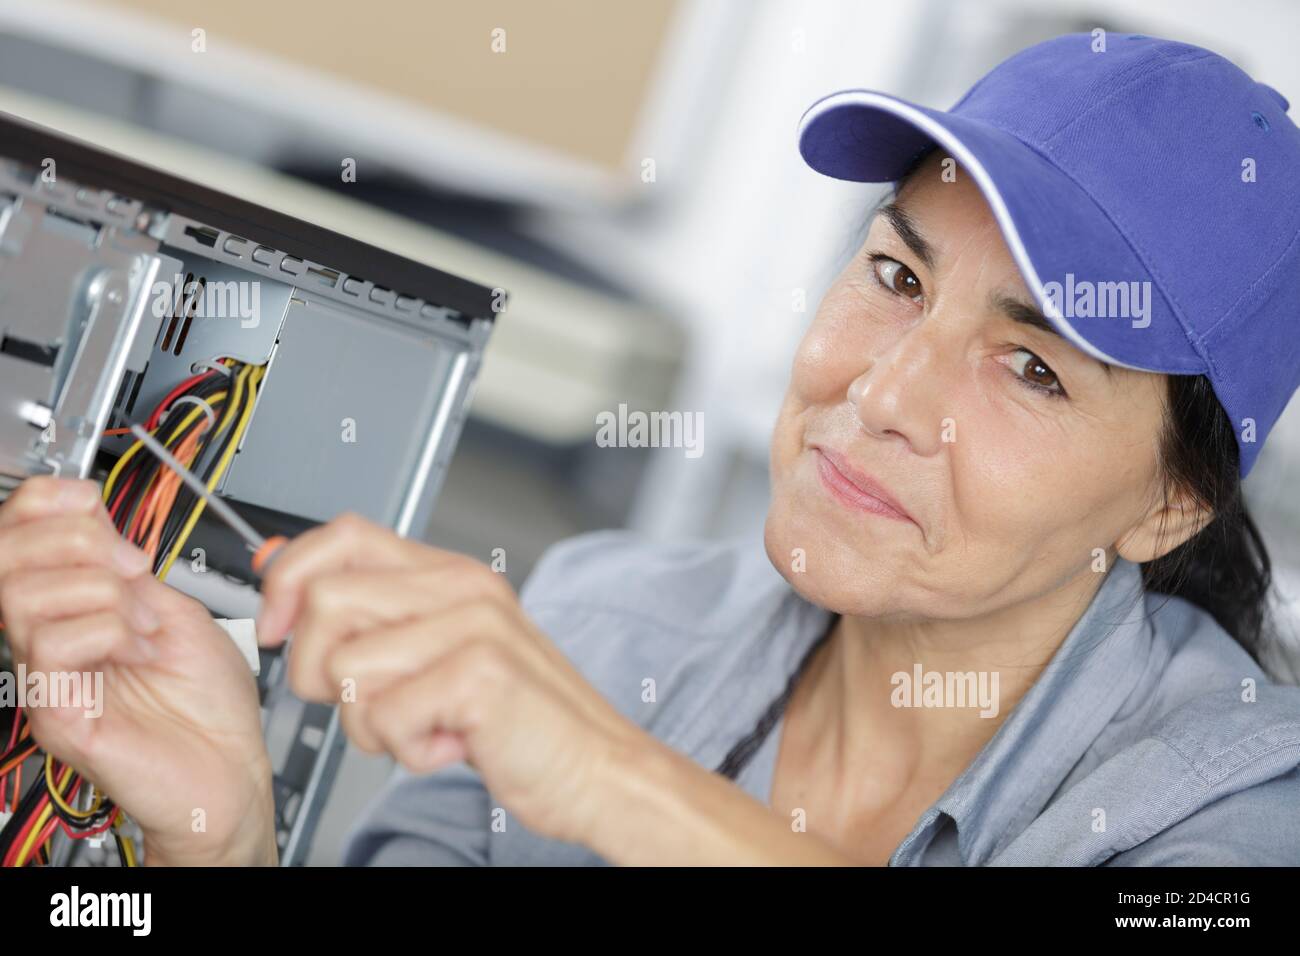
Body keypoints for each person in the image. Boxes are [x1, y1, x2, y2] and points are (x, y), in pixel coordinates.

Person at [2, 31, 1299, 866]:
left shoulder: (1237, 813)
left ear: (1173, 504)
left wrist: (609, 777)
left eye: (1031, 368)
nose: (887, 390)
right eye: (898, 276)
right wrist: (223, 835)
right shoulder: (602, 626)